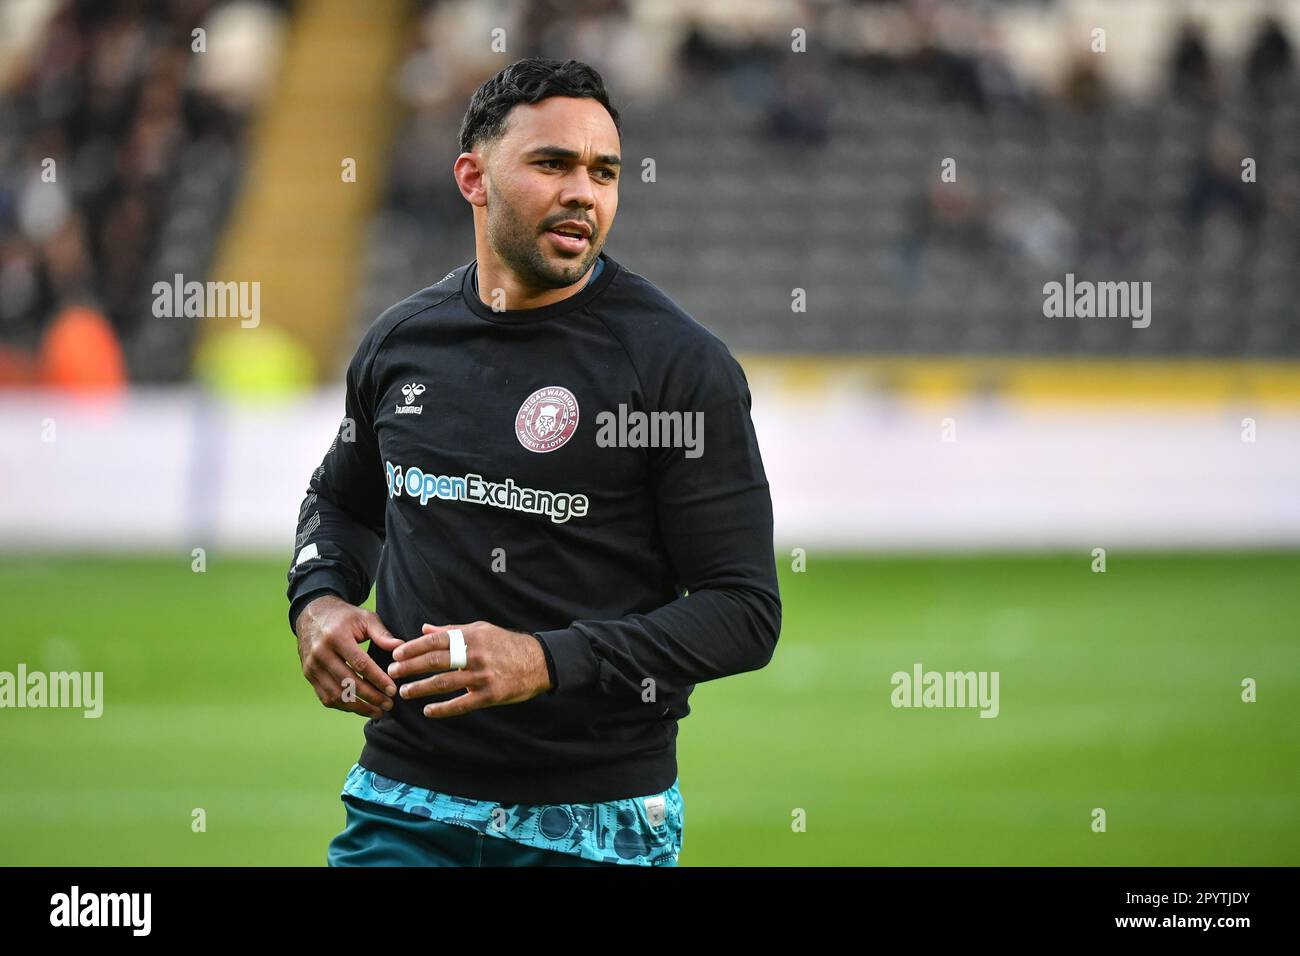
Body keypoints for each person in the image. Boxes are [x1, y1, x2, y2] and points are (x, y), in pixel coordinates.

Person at [286, 57, 781, 867]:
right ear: (473, 177)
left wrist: (545, 660)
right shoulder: (403, 346)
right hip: (405, 801)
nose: (584, 192)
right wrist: (319, 601)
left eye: (604, 171)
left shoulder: (675, 368)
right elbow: (340, 502)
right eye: (553, 164)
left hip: (596, 818)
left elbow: (743, 613)